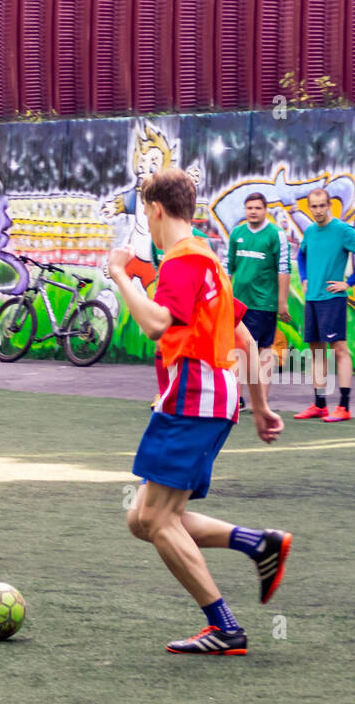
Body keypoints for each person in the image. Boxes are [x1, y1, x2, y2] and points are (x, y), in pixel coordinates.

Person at [106, 168, 292, 656]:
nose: (145, 219)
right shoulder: (208, 256)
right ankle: (259, 543)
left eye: (145, 210)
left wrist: (120, 275)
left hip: (194, 397)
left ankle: (225, 627)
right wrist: (260, 407)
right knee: (141, 518)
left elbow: (153, 323)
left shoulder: (183, 260)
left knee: (158, 520)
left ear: (157, 209)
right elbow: (248, 340)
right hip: (212, 397)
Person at [292, 188, 355, 422]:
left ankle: (344, 407)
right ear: (310, 207)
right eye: (314, 206)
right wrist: (304, 278)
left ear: (329, 206)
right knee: (317, 352)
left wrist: (349, 282)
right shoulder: (309, 231)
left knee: (339, 350)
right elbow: (301, 255)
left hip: (332, 299)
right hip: (313, 299)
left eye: (322, 206)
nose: (318, 210)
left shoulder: (342, 230)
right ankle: (319, 405)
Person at [226, 191, 291, 409]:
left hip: (264, 304)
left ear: (265, 210)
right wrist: (224, 296)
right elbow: (228, 268)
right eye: (249, 208)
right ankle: (238, 398)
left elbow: (283, 269)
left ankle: (260, 401)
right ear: (245, 210)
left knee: (263, 351)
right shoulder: (237, 233)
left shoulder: (276, 234)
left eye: (257, 208)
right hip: (239, 304)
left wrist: (282, 302)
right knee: (238, 351)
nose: (253, 212)